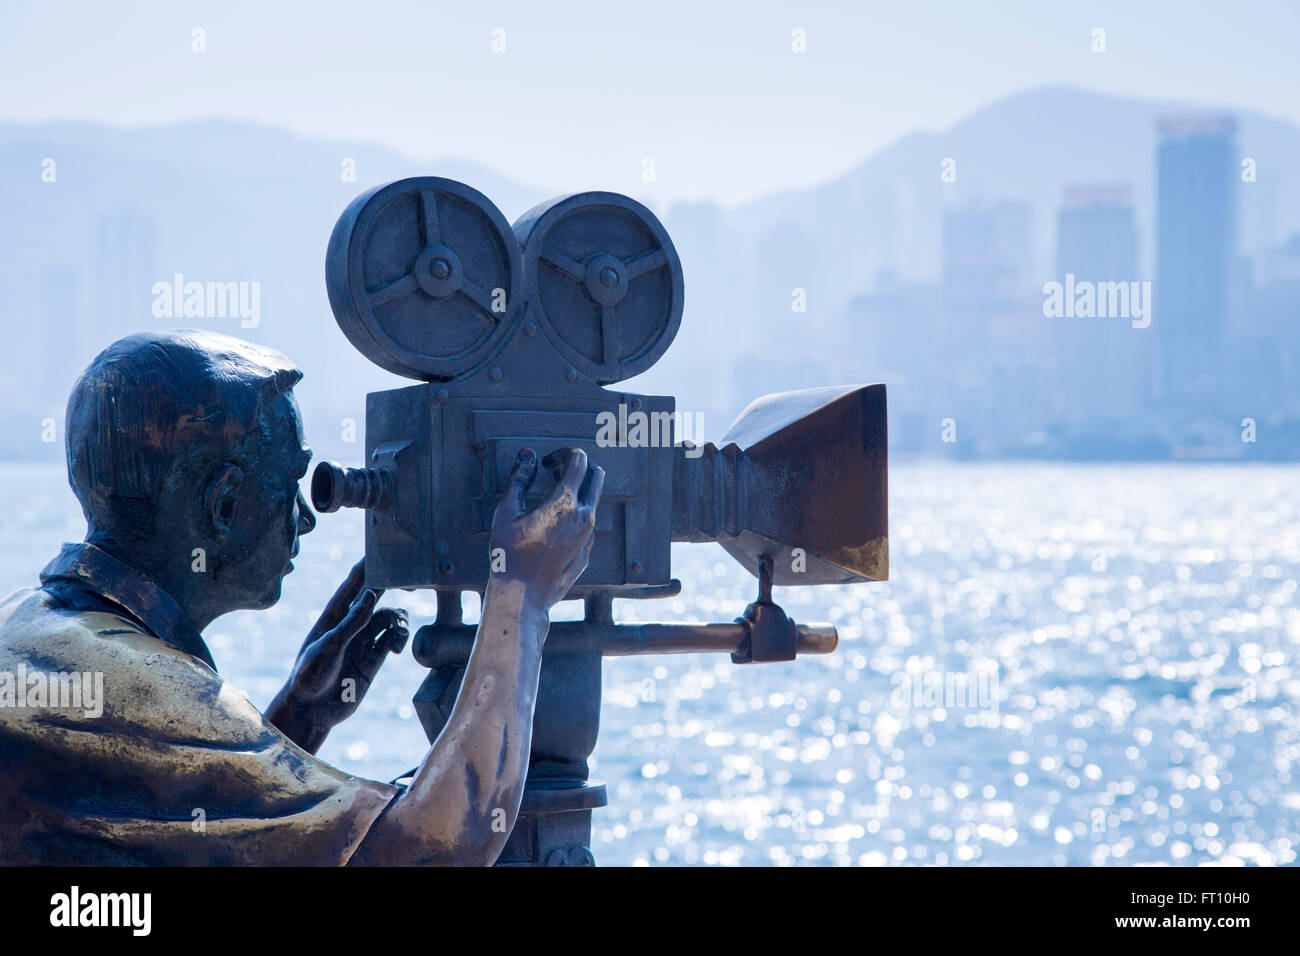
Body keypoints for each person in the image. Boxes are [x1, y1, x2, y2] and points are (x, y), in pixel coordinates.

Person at [0, 329, 602, 865]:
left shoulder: (27, 623)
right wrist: (521, 592)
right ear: (225, 506)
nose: (305, 521)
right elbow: (433, 847)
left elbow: (169, 811)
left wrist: (300, 716)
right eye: (290, 486)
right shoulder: (149, 688)